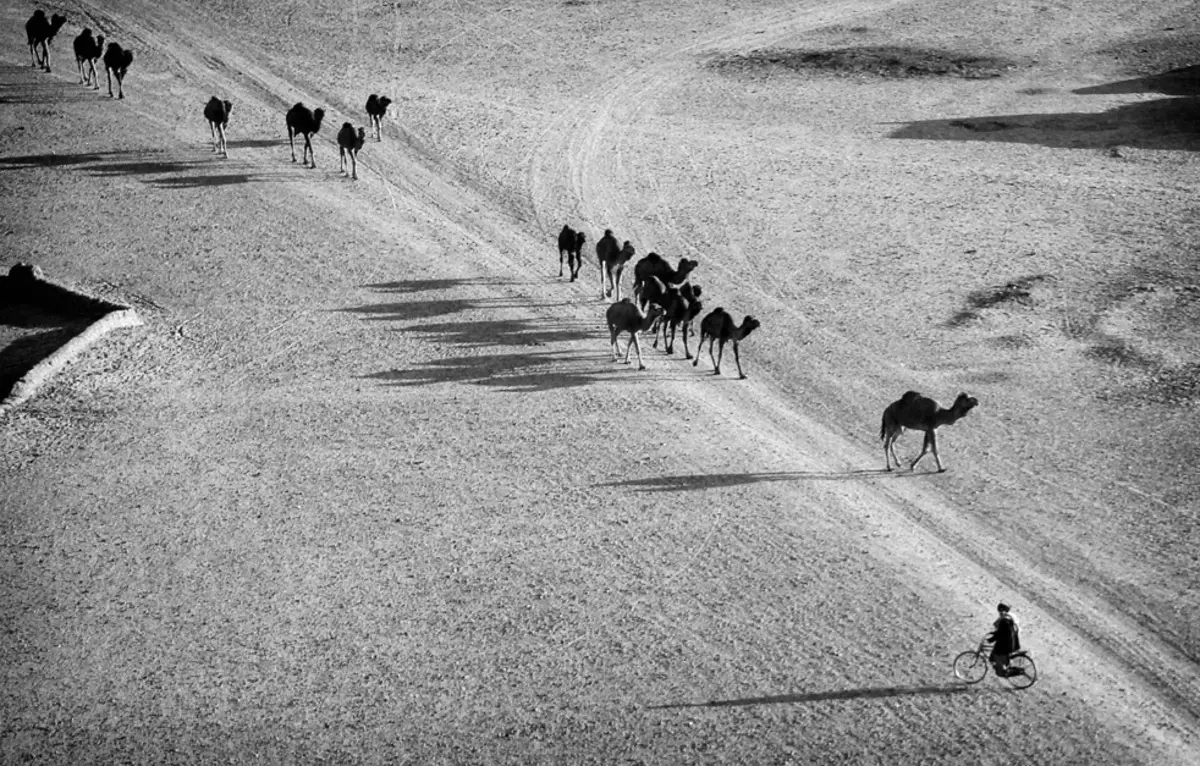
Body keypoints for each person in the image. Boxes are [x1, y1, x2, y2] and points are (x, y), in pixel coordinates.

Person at [987, 602, 1021, 676]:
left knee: (997, 655)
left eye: (1002, 610)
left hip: (1006, 645)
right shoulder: (1009, 618)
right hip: (1011, 643)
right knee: (993, 656)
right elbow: (1001, 632)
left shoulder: (1005, 621)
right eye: (1000, 611)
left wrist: (991, 640)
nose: (1001, 612)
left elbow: (1001, 634)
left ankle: (1003, 672)